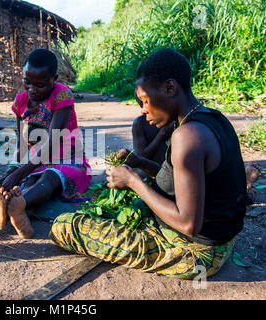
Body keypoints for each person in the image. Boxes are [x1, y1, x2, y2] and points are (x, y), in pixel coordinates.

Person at [49, 48, 248, 279]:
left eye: (145, 100)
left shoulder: (187, 136)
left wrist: (133, 181)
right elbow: (180, 181)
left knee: (64, 226)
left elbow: (188, 224)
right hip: (224, 238)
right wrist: (139, 162)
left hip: (198, 254)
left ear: (170, 88)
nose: (143, 110)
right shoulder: (213, 118)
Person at [0, 48, 92, 239]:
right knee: (26, 181)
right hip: (37, 161)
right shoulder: (21, 101)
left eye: (40, 85)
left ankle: (18, 206)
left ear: (54, 78)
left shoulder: (62, 96)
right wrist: (12, 169)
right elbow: (21, 141)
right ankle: (9, 204)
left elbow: (53, 141)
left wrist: (20, 171)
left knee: (50, 178)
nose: (32, 89)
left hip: (69, 160)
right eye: (27, 82)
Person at [130, 90, 174, 177]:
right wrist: (162, 133)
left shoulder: (173, 118)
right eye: (142, 102)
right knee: (139, 174)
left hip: (171, 167)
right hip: (152, 167)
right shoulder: (139, 123)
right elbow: (141, 156)